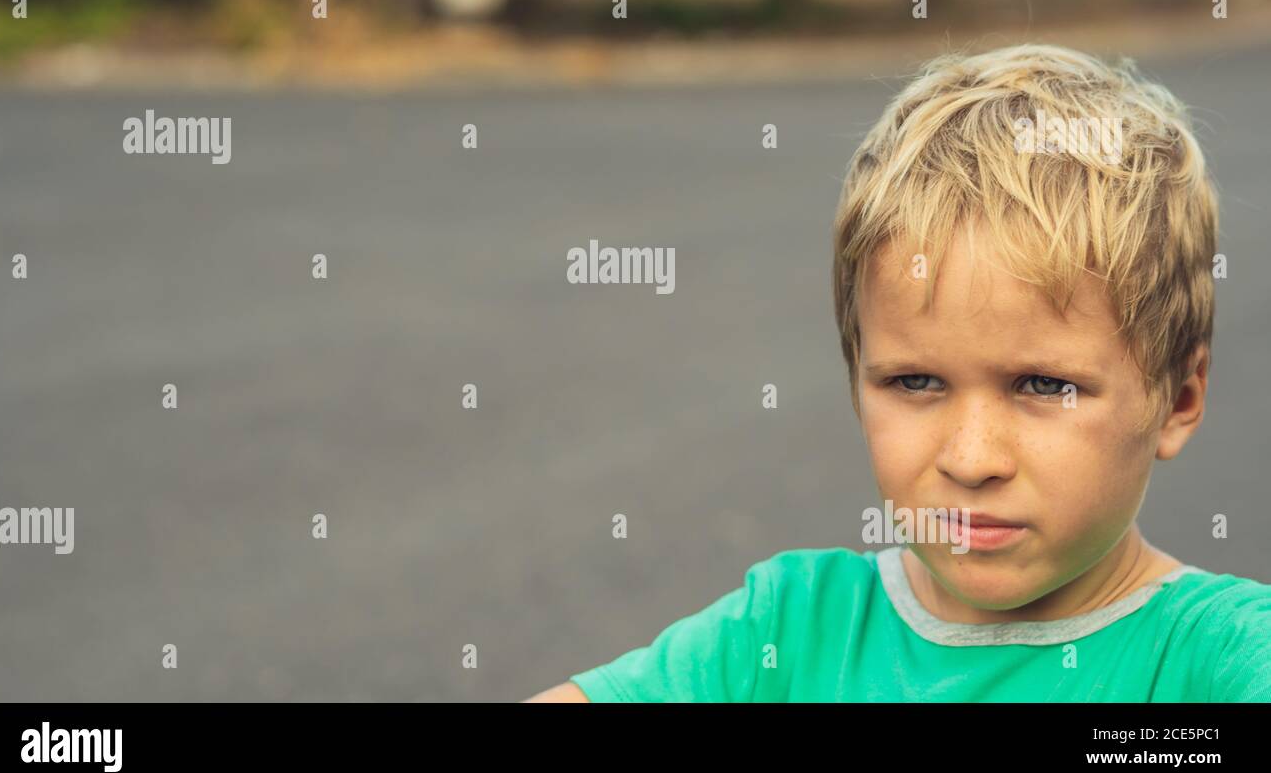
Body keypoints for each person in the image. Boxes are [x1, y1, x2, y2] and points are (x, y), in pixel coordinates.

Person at [525, 44, 1270, 702]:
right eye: (915, 382)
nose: (970, 459)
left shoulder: (1220, 657)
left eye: (1044, 386)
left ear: (1178, 399)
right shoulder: (789, 631)